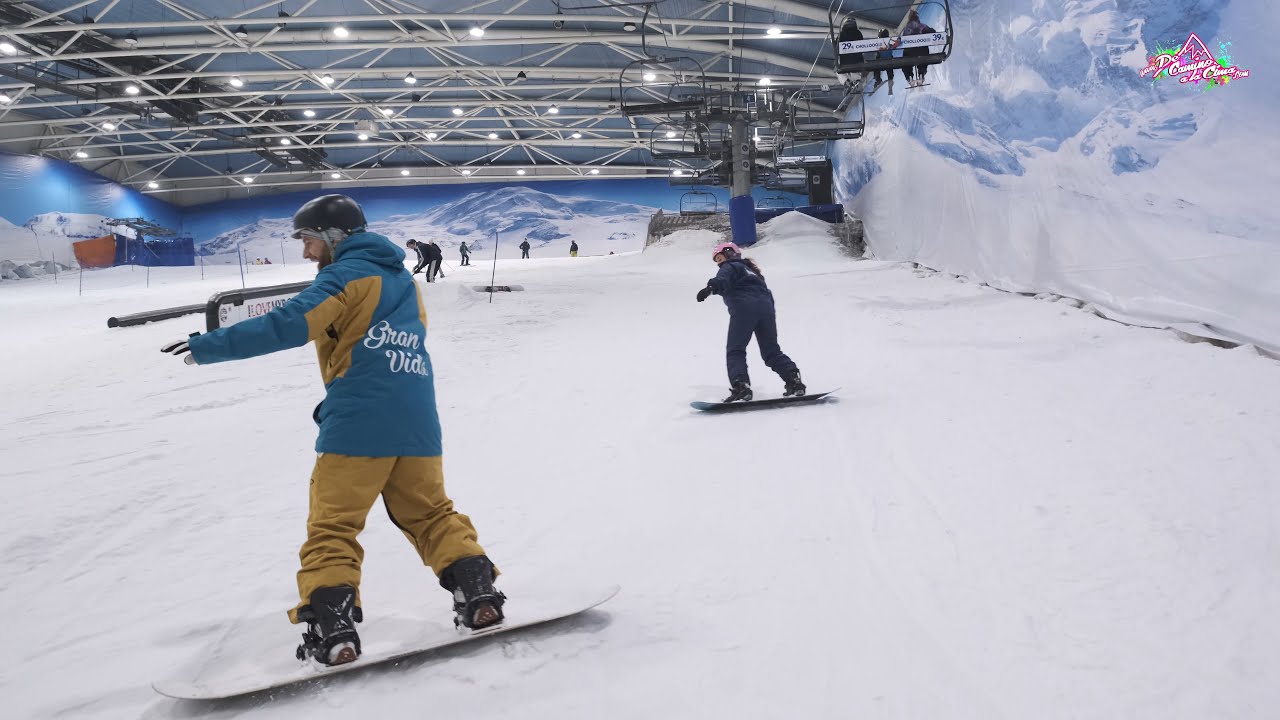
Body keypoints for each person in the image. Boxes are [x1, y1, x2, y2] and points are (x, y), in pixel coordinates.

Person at [159, 194, 505, 667]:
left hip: (358, 426)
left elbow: (288, 323)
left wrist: (211, 345)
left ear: (334, 236)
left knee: (333, 526)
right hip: (419, 421)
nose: (306, 253)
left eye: (309, 241)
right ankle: (478, 593)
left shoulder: (344, 275)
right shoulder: (402, 280)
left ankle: (333, 628)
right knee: (431, 514)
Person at [695, 242, 805, 402]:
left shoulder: (730, 266)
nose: (719, 263)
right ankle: (793, 380)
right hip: (766, 311)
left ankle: (741, 386)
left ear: (729, 253)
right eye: (717, 260)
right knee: (771, 352)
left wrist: (710, 288)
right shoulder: (752, 272)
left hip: (743, 309)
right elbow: (766, 293)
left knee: (735, 350)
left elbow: (722, 279)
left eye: (719, 258)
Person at [901, 10, 937, 88]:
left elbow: (902, 40)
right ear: (917, 18)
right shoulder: (922, 26)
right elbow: (932, 32)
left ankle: (909, 77)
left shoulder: (906, 28)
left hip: (909, 52)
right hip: (922, 50)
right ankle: (921, 74)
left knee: (905, 62)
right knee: (923, 58)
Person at [873, 29, 900, 95]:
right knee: (889, 69)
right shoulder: (890, 41)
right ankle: (890, 85)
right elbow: (897, 42)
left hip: (881, 63)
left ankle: (878, 80)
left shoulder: (878, 42)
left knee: (875, 67)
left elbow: (876, 51)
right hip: (889, 62)